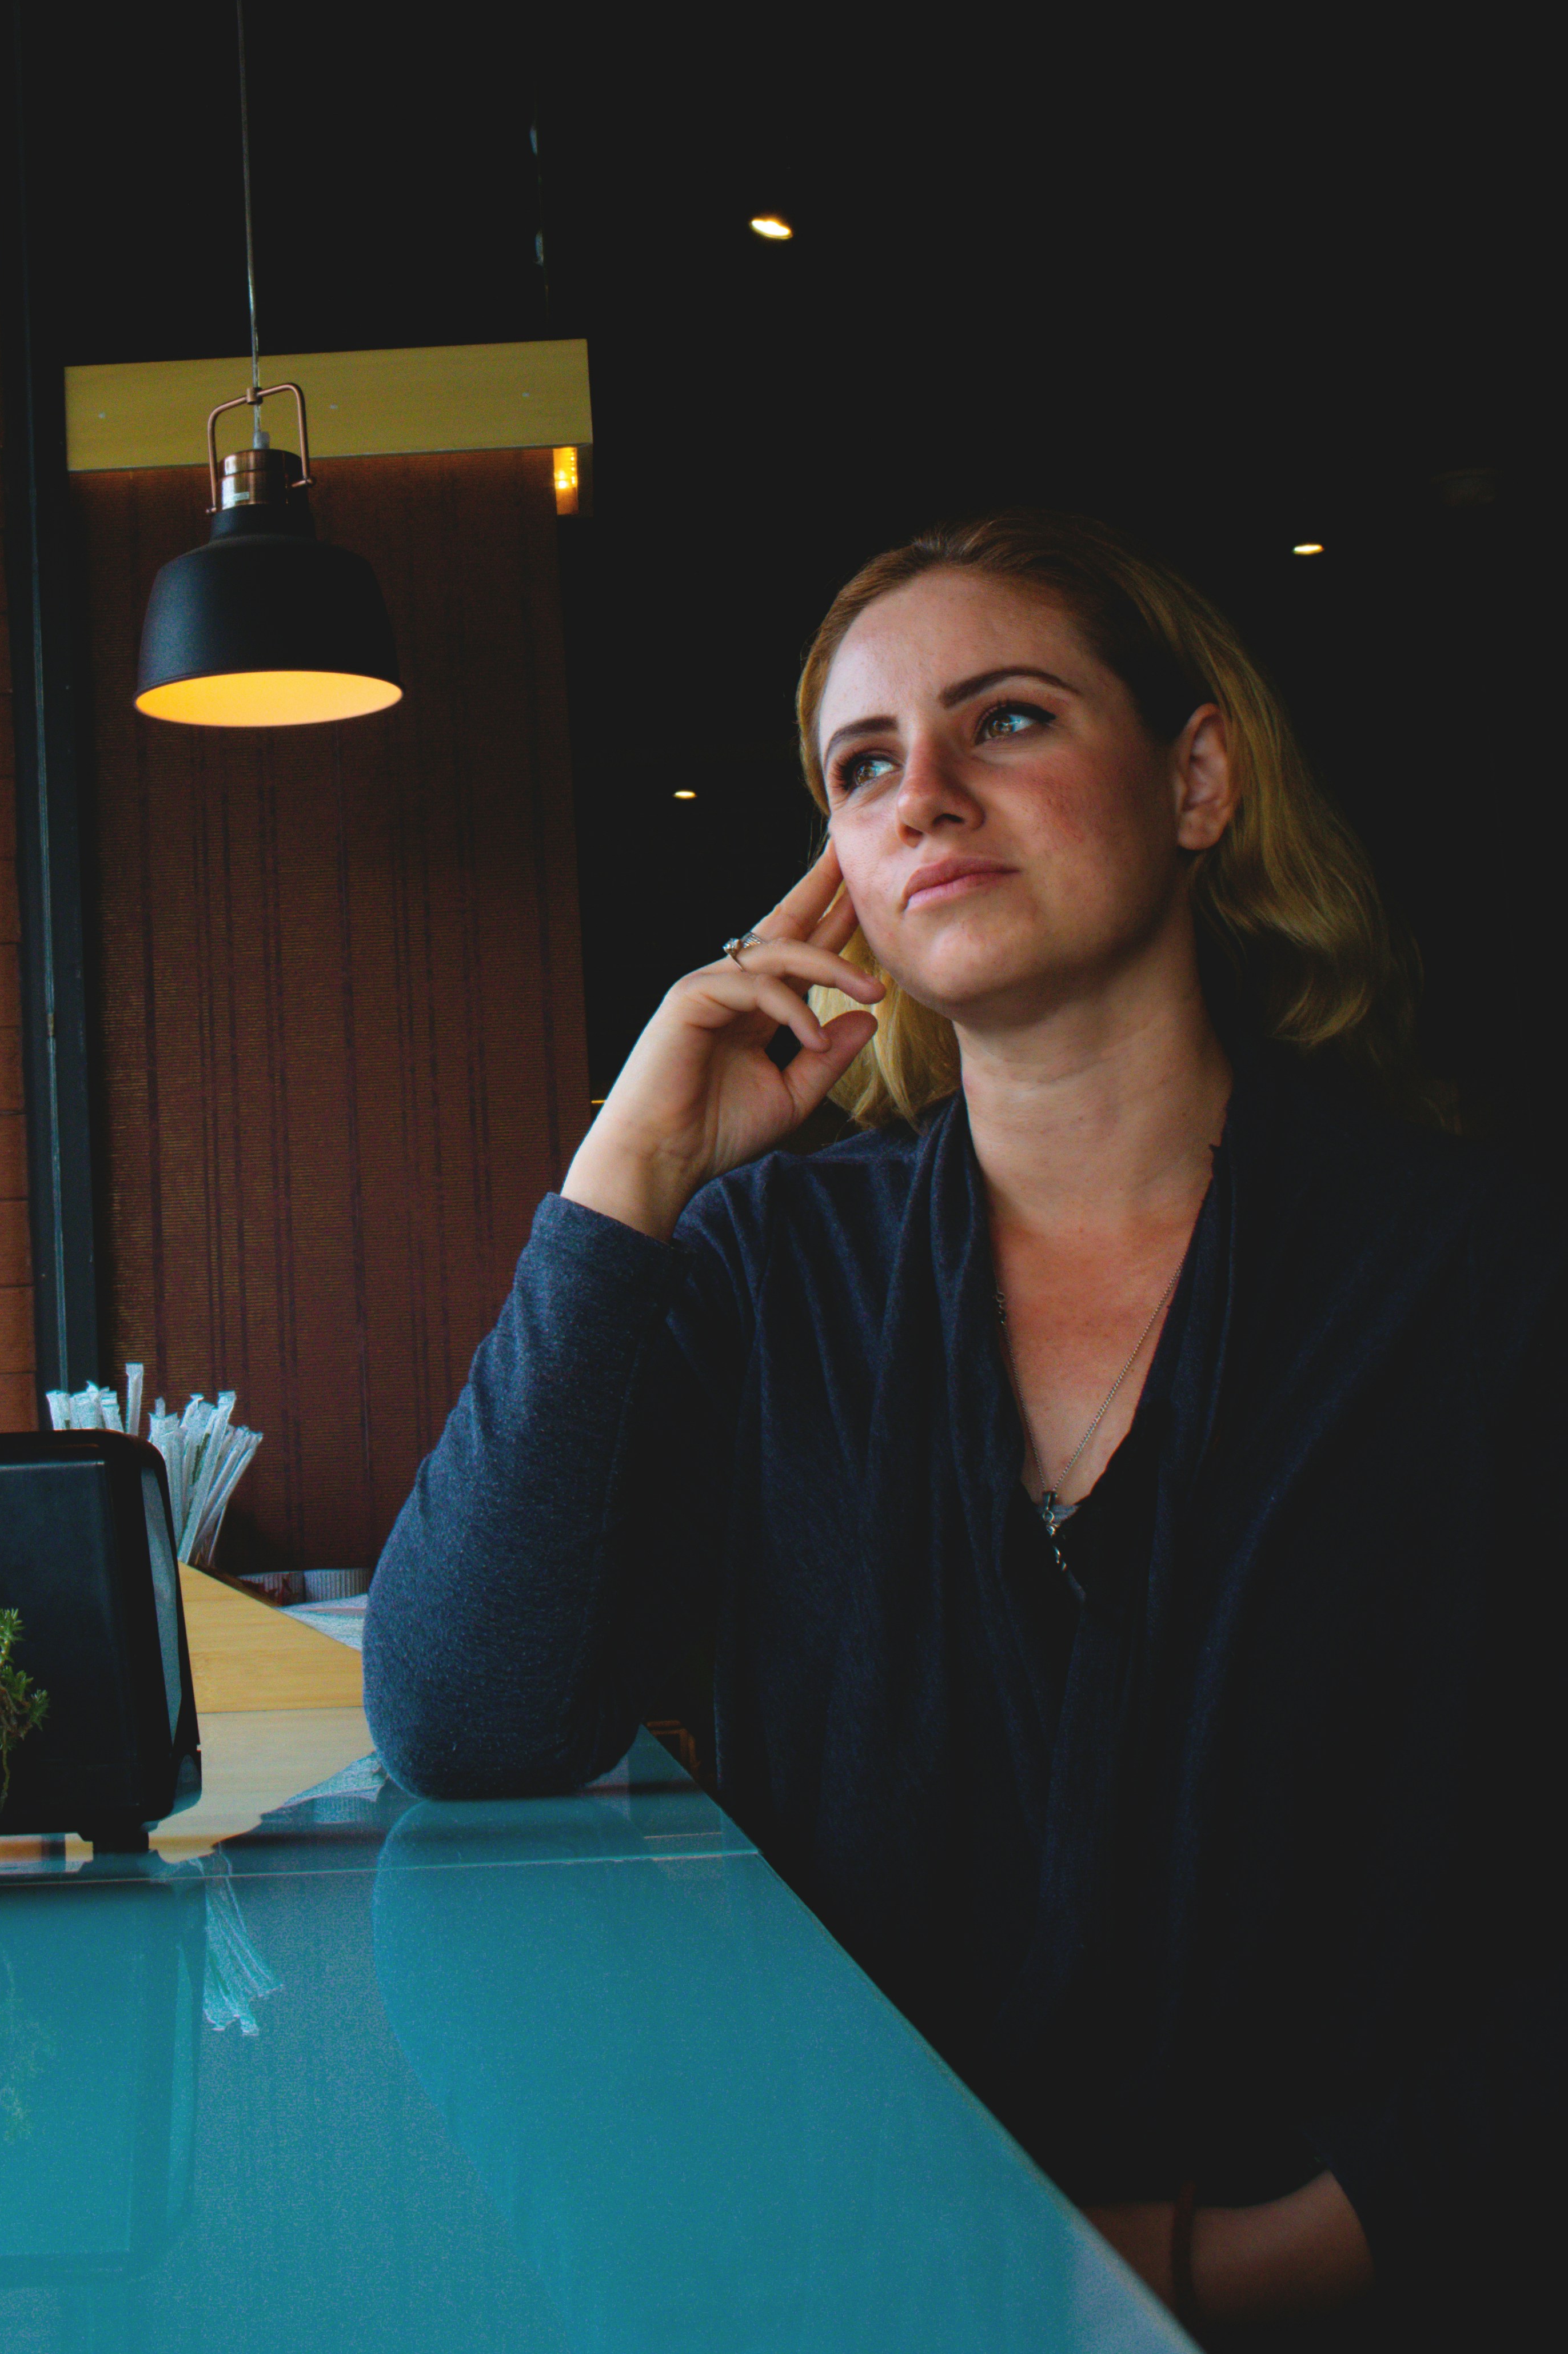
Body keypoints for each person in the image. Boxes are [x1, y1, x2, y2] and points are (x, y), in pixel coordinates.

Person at [364, 512, 1559, 2341]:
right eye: (862, 768)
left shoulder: (1478, 1282)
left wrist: (1228, 2270)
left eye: (1002, 722)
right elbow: (469, 1715)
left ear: (1197, 778)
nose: (919, 794)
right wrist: (633, 1173)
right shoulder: (772, 1272)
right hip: (857, 2299)